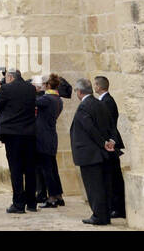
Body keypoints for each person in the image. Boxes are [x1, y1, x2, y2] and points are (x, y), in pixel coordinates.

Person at [69, 78, 117, 226]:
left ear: (79, 92)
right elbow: (111, 125)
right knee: (102, 185)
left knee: (94, 186)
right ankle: (104, 214)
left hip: (90, 154)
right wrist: (110, 141)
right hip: (101, 154)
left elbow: (90, 128)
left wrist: (103, 143)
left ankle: (99, 216)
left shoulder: (85, 106)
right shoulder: (99, 103)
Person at [0, 68, 38, 213]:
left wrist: (1, 89)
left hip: (13, 134)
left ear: (10, 77)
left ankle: (18, 204)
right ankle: (31, 202)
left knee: (16, 169)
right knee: (30, 169)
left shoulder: (6, 89)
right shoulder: (31, 89)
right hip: (29, 133)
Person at [93, 75, 126, 219]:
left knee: (114, 177)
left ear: (99, 87)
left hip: (110, 144)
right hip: (107, 143)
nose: (94, 87)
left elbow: (107, 124)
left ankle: (118, 208)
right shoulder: (104, 100)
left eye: (95, 85)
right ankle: (113, 206)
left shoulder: (107, 101)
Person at [33, 74, 65, 207]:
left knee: (47, 169)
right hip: (51, 137)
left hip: (43, 137)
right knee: (52, 168)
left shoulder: (47, 99)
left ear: (48, 85)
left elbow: (32, 101)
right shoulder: (57, 98)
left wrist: (33, 91)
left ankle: (51, 197)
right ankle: (58, 195)